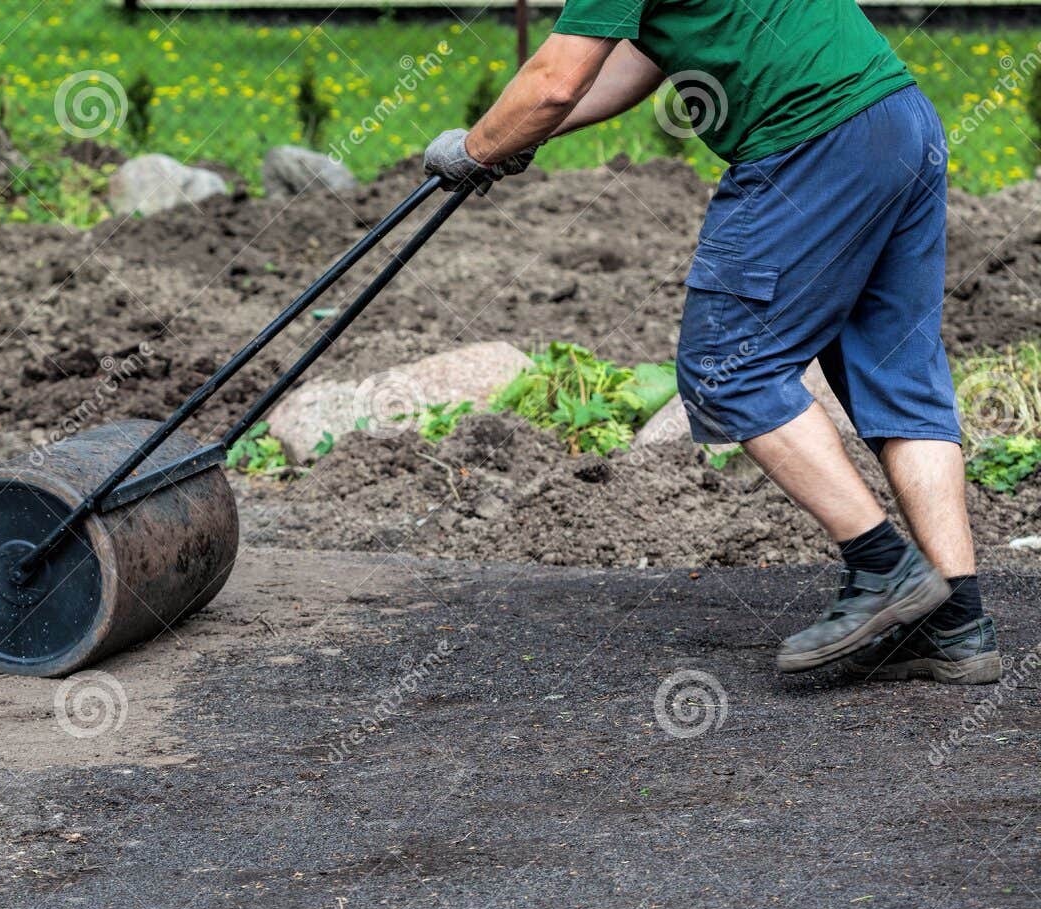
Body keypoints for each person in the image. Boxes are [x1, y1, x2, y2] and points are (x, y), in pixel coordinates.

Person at [424, 0, 1001, 684]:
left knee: (728, 368)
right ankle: (957, 624)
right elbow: (638, 55)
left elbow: (555, 80)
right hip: (896, 120)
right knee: (898, 373)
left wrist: (475, 148)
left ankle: (883, 570)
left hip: (810, 142)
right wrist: (519, 135)